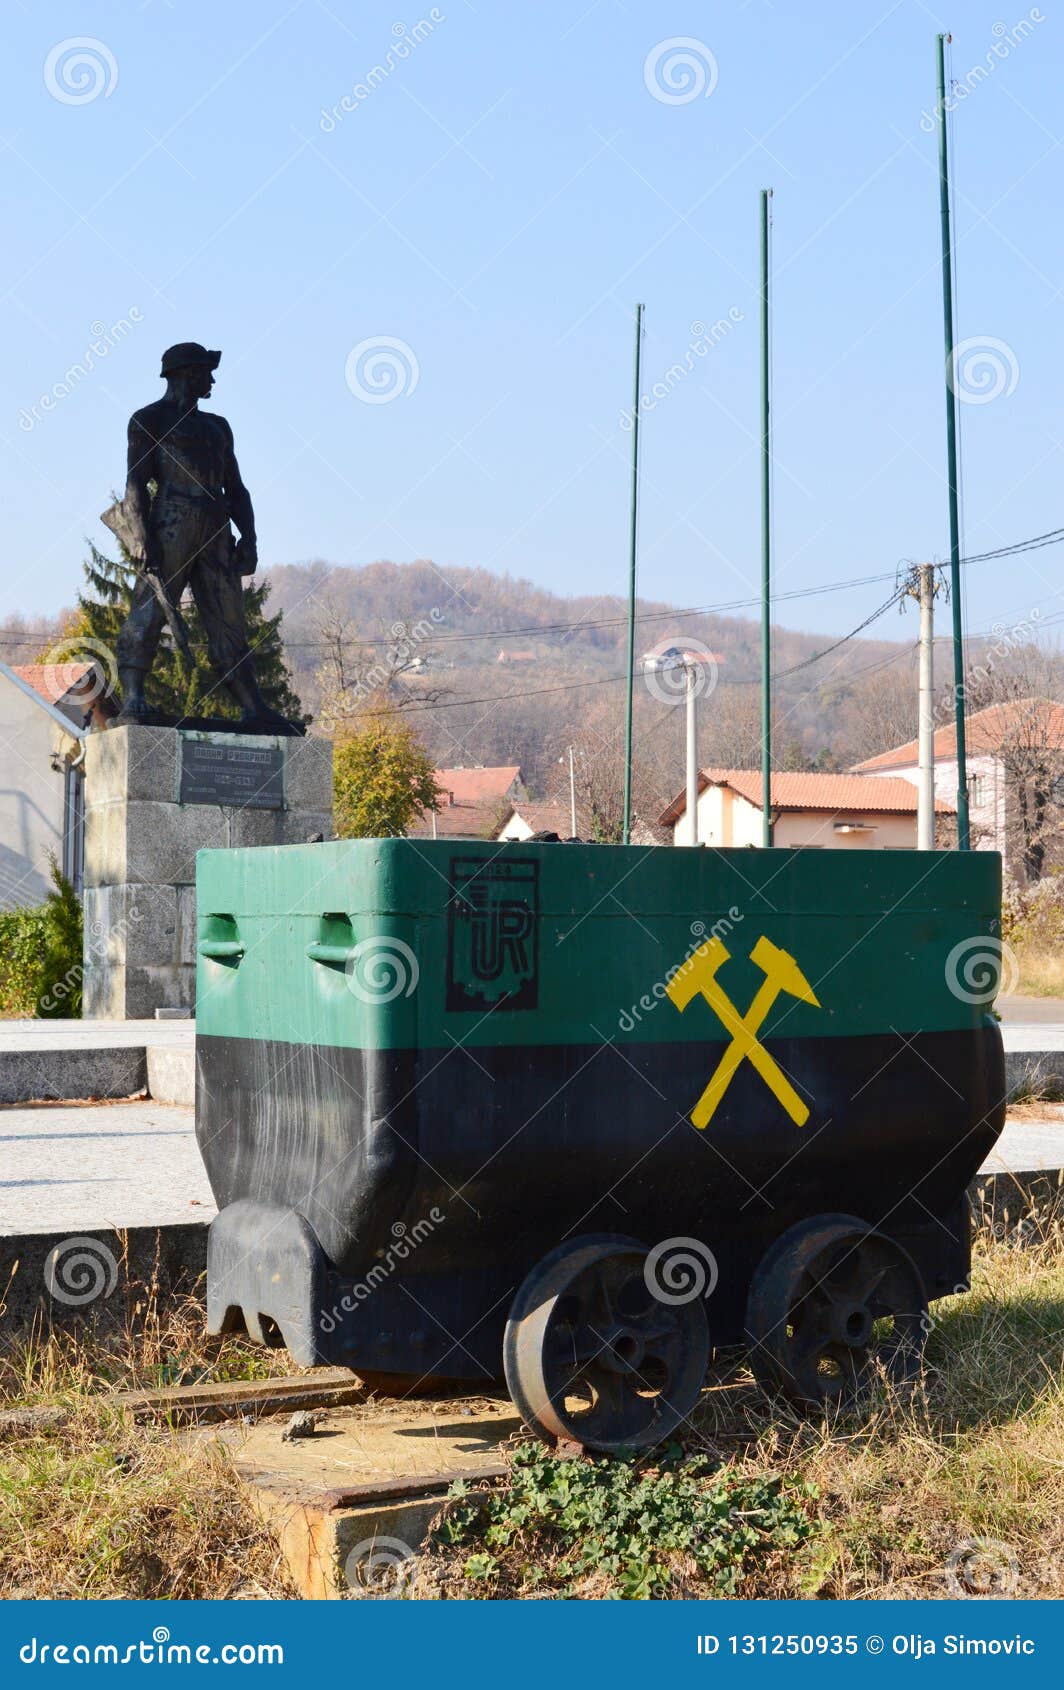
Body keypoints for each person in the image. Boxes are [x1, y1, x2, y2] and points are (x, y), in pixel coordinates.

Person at [111, 341, 290, 727]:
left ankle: (251, 706)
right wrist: (141, 535)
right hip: (171, 519)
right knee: (151, 608)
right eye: (205, 372)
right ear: (185, 373)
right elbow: (136, 484)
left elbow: (237, 488)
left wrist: (250, 538)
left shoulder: (217, 426)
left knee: (228, 617)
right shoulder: (148, 420)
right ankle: (134, 698)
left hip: (215, 523)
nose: (211, 379)